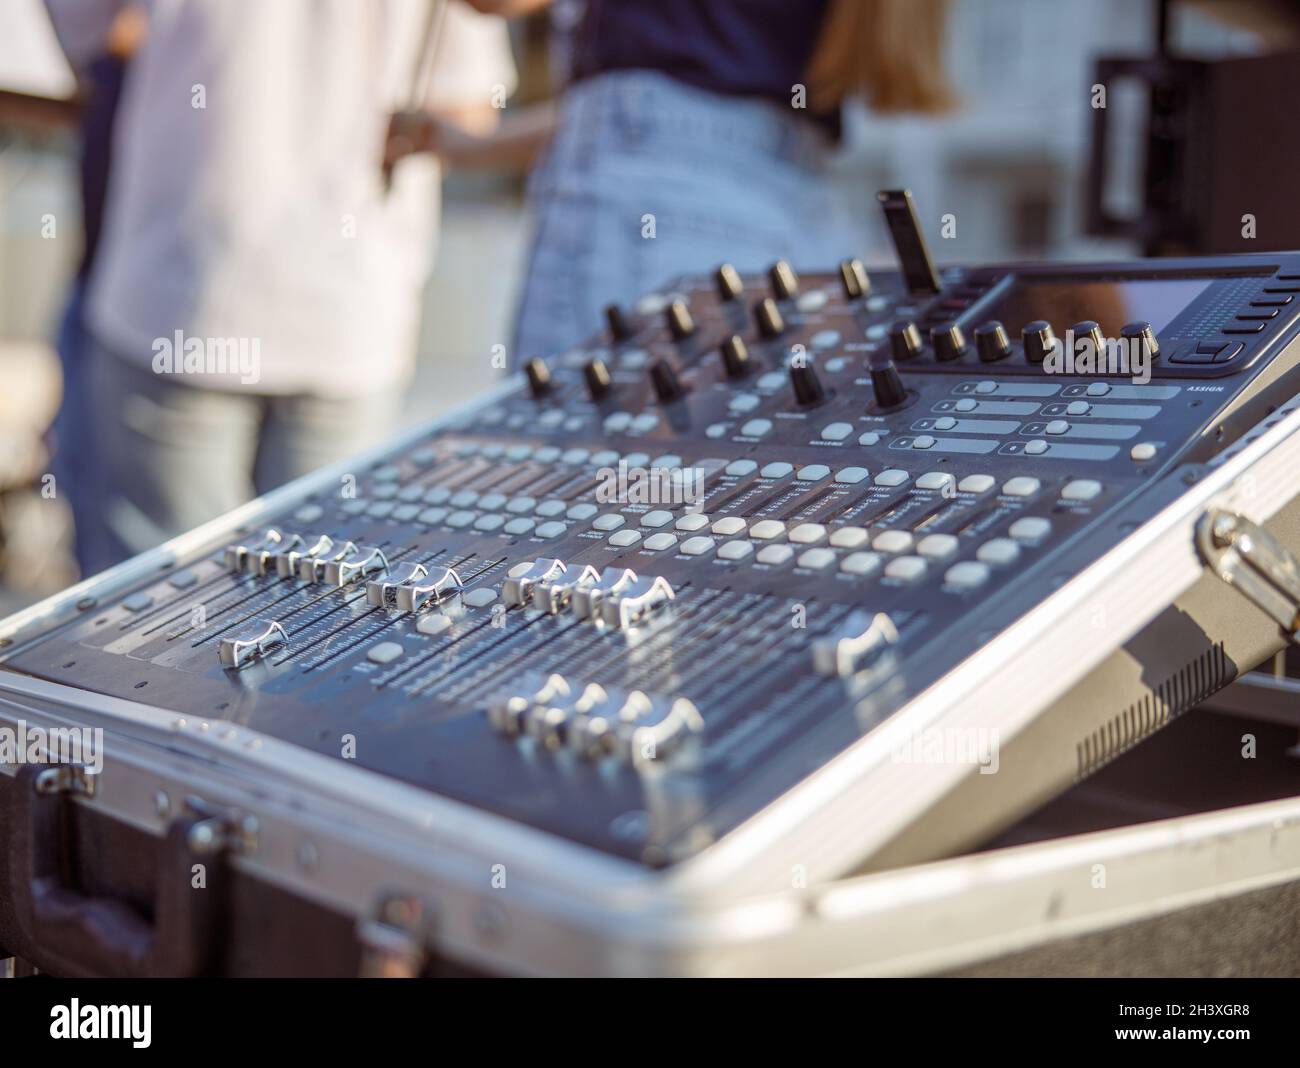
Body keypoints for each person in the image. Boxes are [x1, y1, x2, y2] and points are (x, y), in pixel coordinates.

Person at [44, 0, 517, 573]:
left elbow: (96, 30)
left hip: (182, 292)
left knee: (153, 609)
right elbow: (468, 108)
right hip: (348, 314)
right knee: (319, 616)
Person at [466, 0, 956, 365]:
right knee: (738, 491)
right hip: (799, 217)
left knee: (575, 484)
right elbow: (687, 100)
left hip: (654, 212)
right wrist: (461, 148)